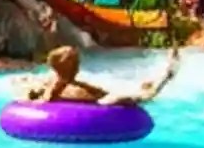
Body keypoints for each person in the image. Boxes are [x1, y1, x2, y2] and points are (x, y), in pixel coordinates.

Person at [15, 45, 179, 106]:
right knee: (138, 97)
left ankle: (163, 77)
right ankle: (165, 76)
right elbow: (46, 99)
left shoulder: (60, 82)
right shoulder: (56, 83)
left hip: (98, 98)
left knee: (130, 95)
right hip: (99, 102)